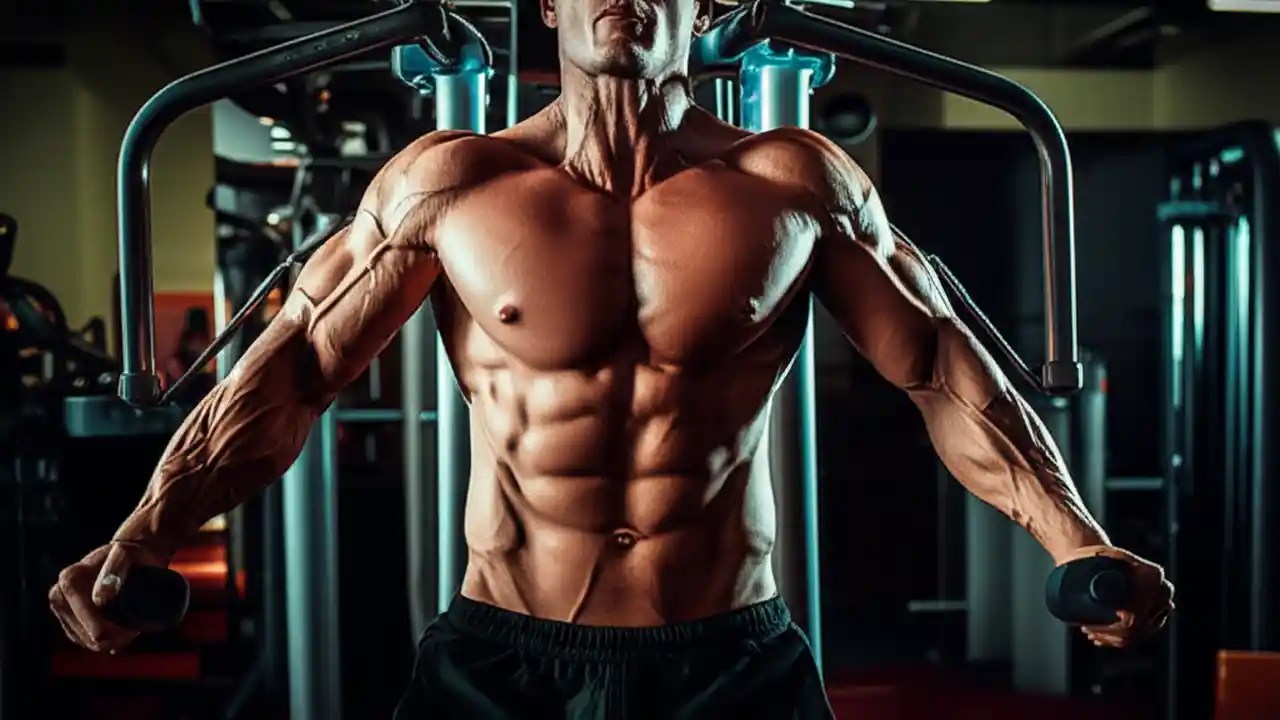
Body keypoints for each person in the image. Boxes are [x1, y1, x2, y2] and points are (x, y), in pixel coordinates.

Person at [50, 0, 1175, 717]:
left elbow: (938, 369)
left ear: (708, 7)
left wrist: (1075, 536)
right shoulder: (451, 183)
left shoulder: (795, 183)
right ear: (548, 4)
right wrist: (147, 531)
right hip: (502, 661)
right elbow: (295, 368)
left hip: (732, 662)